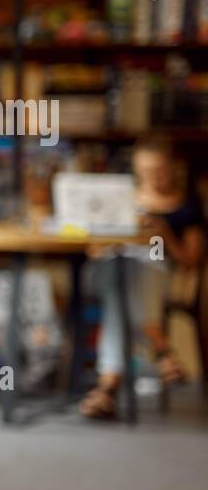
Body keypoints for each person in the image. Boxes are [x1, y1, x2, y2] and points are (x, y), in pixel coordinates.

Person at [79, 138, 205, 419]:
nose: (154, 178)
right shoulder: (120, 199)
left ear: (174, 168)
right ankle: (159, 346)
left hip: (155, 271)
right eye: (146, 172)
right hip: (109, 268)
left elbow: (191, 261)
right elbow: (92, 248)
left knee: (129, 283)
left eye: (160, 171)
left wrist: (164, 234)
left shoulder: (188, 207)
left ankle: (106, 388)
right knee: (121, 267)